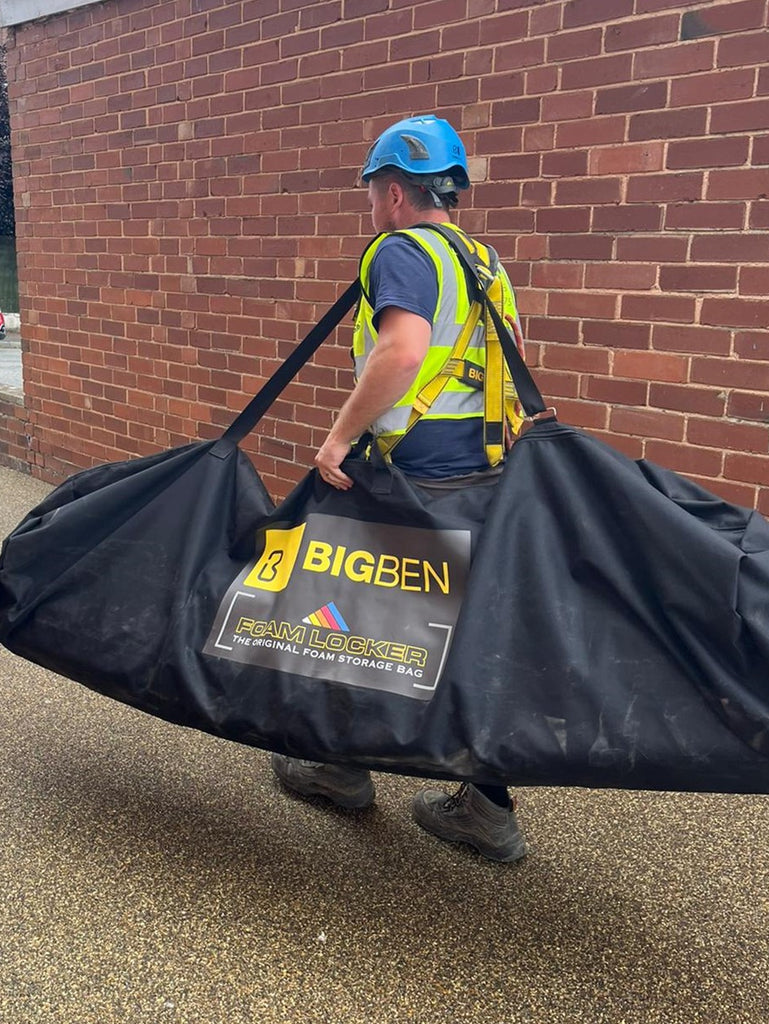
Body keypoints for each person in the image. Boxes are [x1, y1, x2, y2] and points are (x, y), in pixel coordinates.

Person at [271, 114, 527, 864]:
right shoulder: (483, 262)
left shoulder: (400, 250)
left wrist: (340, 437)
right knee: (461, 639)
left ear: (391, 192)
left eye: (371, 193)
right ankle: (489, 807)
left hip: (411, 480)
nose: (371, 208)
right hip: (481, 475)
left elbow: (403, 350)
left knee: (348, 614)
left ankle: (339, 769)